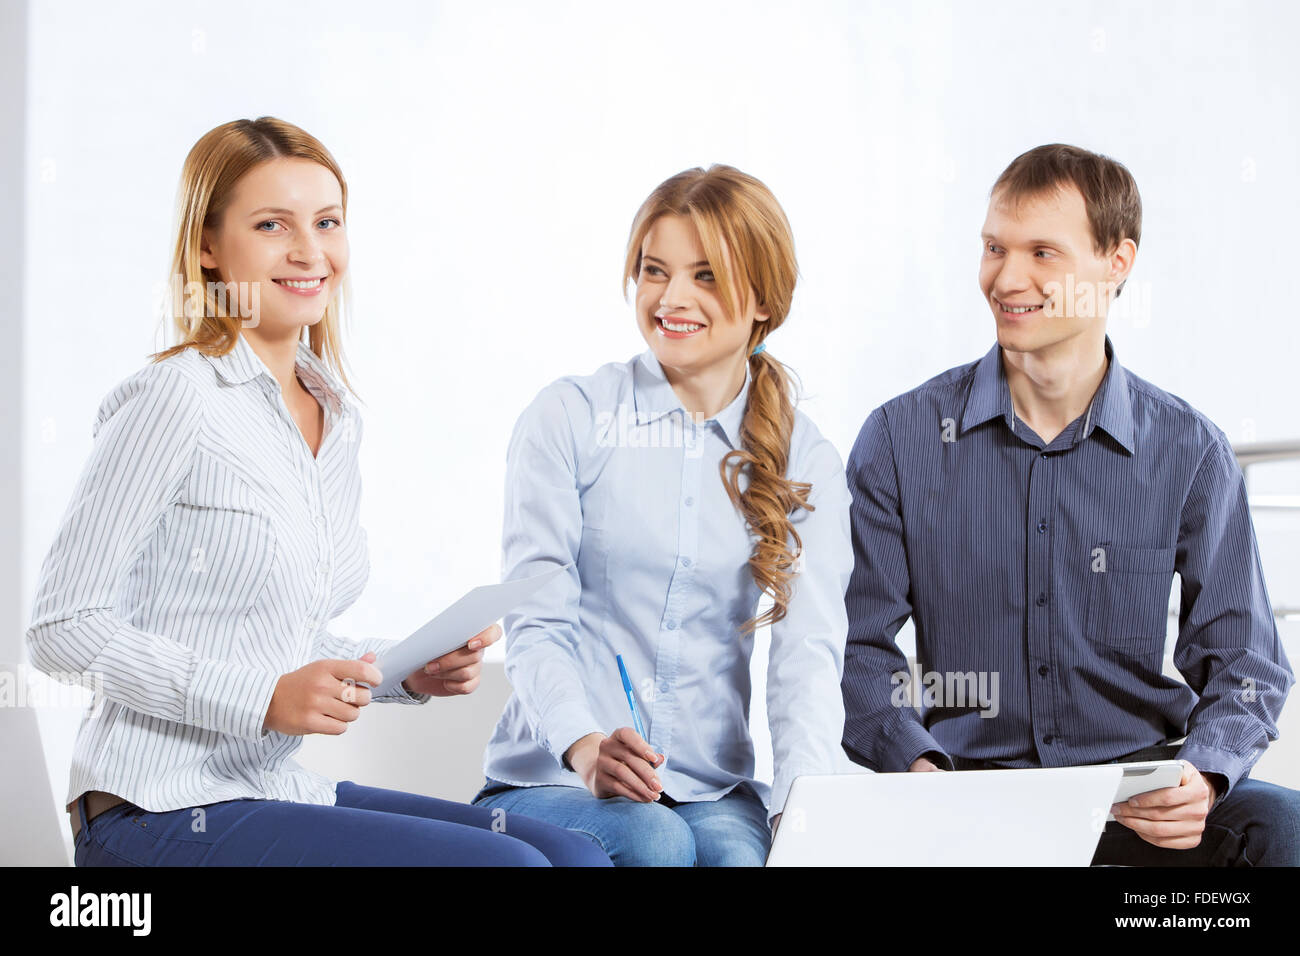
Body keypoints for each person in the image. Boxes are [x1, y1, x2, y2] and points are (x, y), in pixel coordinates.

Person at [26, 116, 610, 867]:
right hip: (153, 809)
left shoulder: (333, 414)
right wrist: (259, 699)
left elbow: (282, 637)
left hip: (273, 786)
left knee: (578, 859)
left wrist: (404, 668)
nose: (310, 252)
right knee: (512, 867)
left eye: (327, 222)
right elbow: (61, 625)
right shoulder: (174, 399)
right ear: (207, 247)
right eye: (273, 224)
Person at [840, 143, 1299, 865]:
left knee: (1281, 827)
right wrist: (915, 766)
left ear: (1117, 262)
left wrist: (1204, 778)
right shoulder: (901, 439)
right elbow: (863, 646)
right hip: (968, 794)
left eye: (1041, 253)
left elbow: (1246, 662)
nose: (1006, 276)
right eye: (994, 247)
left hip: (1136, 793)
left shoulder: (1190, 450)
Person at [471, 165, 854, 866]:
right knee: (653, 841)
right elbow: (537, 624)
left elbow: (807, 660)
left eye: (706, 275)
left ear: (764, 300)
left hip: (710, 791)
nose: (672, 298)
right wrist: (585, 745)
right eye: (655, 270)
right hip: (553, 777)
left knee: (739, 860)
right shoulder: (570, 418)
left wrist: (805, 821)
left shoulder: (808, 459)